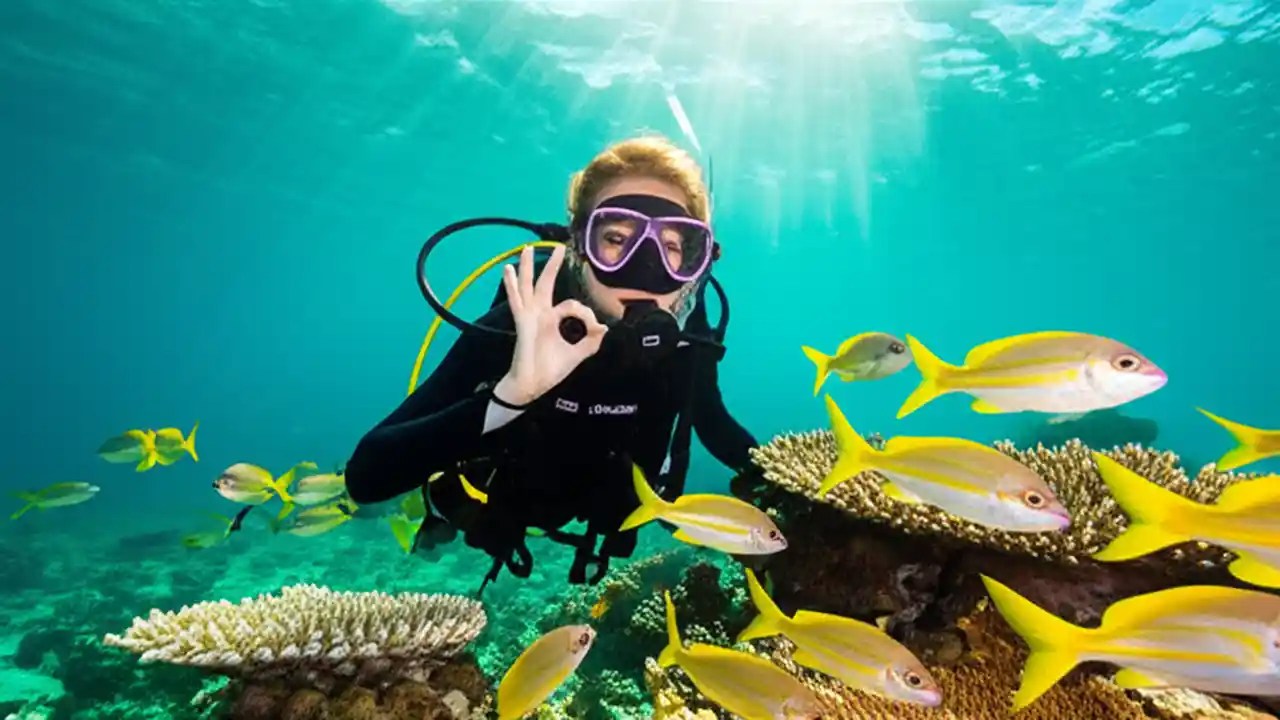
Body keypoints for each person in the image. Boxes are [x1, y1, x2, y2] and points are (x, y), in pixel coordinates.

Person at [344, 135, 759, 591]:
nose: (645, 267)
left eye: (674, 247)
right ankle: (437, 529)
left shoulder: (685, 344)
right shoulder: (521, 327)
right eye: (616, 238)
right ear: (579, 247)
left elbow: (714, 424)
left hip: (612, 512)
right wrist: (510, 397)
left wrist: (792, 487)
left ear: (697, 264)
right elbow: (367, 476)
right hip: (506, 505)